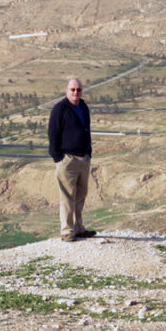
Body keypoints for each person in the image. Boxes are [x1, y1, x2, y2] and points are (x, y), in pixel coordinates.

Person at [48, 78, 97, 242]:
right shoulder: (59, 109)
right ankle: (67, 231)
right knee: (68, 197)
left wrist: (88, 153)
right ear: (66, 90)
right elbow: (53, 133)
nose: (76, 92)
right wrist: (58, 157)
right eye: (72, 89)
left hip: (83, 158)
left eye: (79, 90)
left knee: (81, 195)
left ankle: (79, 228)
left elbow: (87, 130)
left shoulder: (83, 107)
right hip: (67, 160)